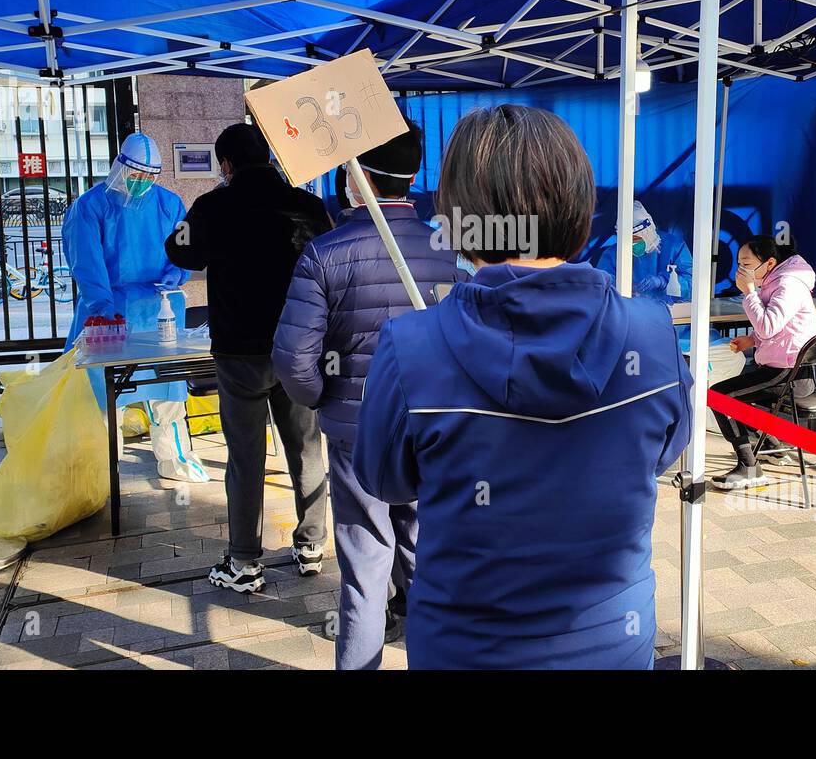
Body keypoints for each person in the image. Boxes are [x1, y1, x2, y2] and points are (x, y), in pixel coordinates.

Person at [354, 105, 693, 670]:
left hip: (465, 646)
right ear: (579, 206)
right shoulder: (653, 334)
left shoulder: (411, 346)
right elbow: (662, 452)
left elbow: (384, 478)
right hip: (613, 643)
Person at [273, 122, 462, 670]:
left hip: (359, 435)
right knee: (426, 554)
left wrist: (322, 399)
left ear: (355, 180)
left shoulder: (324, 254)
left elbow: (291, 358)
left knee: (364, 567)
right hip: (433, 428)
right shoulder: (448, 249)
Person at [164, 123, 332, 592]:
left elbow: (178, 251)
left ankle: (244, 562)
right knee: (306, 446)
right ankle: (312, 544)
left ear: (226, 165)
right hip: (299, 348)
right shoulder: (307, 205)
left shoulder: (214, 206)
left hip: (239, 351)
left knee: (244, 456)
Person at [62, 132, 205, 483]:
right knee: (103, 393)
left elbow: (184, 247)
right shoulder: (91, 206)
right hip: (109, 313)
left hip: (161, 308)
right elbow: (87, 263)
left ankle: (173, 459)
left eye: (149, 176)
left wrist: (175, 276)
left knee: (167, 388)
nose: (142, 183)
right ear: (119, 168)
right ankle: (99, 469)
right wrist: (103, 306)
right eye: (136, 175)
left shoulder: (169, 204)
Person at [709, 236, 816, 491]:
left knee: (719, 397)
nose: (741, 270)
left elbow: (769, 326)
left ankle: (749, 467)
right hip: (784, 368)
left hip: (789, 374)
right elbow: (782, 328)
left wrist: (749, 292)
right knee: (737, 394)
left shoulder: (788, 284)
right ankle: (772, 445)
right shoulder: (778, 281)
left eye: (747, 263)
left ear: (769, 262)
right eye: (739, 263)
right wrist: (752, 340)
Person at [594, 200, 693, 302]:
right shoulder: (612, 255)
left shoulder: (674, 247)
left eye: (637, 238)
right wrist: (624, 292)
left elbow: (692, 286)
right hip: (630, 313)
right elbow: (601, 289)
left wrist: (663, 281)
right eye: (630, 240)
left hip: (670, 314)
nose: (635, 245)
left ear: (649, 228)